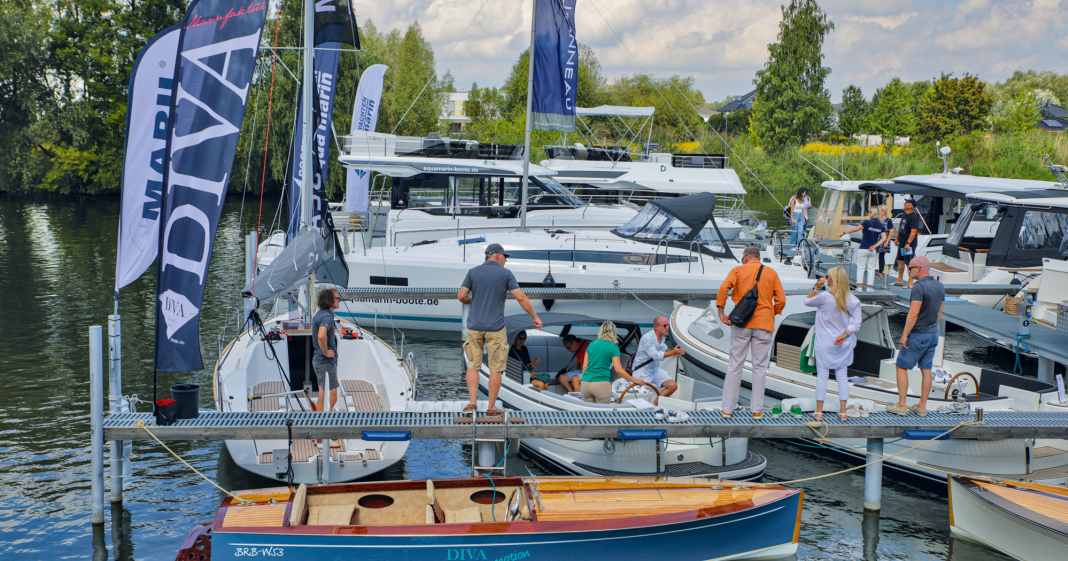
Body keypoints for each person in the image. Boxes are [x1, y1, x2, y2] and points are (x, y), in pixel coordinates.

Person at [458, 243, 542, 415]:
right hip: (496, 328)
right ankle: (490, 407)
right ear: (497, 255)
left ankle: (472, 403)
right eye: (505, 257)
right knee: (496, 368)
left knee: (473, 366)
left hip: (474, 326)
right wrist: (534, 317)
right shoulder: (505, 274)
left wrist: (471, 302)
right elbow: (520, 297)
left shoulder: (473, 272)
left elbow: (461, 295)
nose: (506, 260)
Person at [716, 246, 786, 418]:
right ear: (758, 257)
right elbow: (781, 300)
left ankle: (727, 409)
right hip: (764, 324)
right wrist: (772, 312)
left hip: (741, 322)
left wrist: (721, 312)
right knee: (760, 368)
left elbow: (724, 288)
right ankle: (757, 410)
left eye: (742, 256)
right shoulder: (771, 273)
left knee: (735, 365)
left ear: (747, 257)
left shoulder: (738, 270)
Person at [888, 256, 945, 417]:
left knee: (901, 366)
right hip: (933, 333)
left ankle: (902, 404)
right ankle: (921, 407)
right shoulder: (939, 286)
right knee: (926, 369)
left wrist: (904, 335)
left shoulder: (919, 288)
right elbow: (940, 312)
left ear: (919, 268)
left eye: (910, 267)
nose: (908, 270)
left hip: (918, 334)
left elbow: (913, 314)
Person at [804, 267, 862, 421]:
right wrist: (843, 335)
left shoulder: (824, 297)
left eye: (827, 277)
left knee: (822, 376)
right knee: (842, 376)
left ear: (830, 280)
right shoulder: (853, 300)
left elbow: (807, 301)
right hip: (843, 343)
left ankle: (819, 412)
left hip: (824, 343)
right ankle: (843, 412)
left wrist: (816, 286)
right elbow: (856, 324)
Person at [581, 321, 640, 403]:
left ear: (600, 331)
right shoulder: (613, 347)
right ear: (614, 332)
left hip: (585, 384)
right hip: (601, 384)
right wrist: (634, 380)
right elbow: (618, 370)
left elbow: (584, 368)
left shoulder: (591, 344)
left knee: (589, 414)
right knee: (603, 414)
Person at [632, 316, 684, 397]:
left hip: (655, 370)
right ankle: (653, 403)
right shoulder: (647, 338)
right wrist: (673, 352)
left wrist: (675, 351)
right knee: (653, 391)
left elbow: (665, 349)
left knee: (673, 386)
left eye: (668, 325)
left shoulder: (662, 337)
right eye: (664, 326)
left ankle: (655, 403)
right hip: (642, 372)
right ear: (656, 327)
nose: (667, 328)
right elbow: (655, 356)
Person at [843, 208, 889, 287]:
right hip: (873, 250)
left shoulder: (867, 222)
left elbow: (856, 229)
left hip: (863, 248)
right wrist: (875, 246)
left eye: (869, 212)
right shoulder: (880, 225)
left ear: (871, 213)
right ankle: (870, 286)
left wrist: (845, 232)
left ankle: (860, 285)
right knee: (871, 269)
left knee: (861, 267)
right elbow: (884, 238)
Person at [311, 287, 341, 413]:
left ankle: (319, 416)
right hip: (325, 361)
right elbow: (321, 335)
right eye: (337, 298)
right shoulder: (327, 317)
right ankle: (327, 417)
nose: (340, 300)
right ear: (329, 300)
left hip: (318, 360)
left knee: (322, 390)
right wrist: (326, 352)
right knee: (331, 390)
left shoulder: (320, 314)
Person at [895, 199, 922, 287]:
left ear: (911, 205)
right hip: (902, 242)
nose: (905, 204)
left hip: (908, 244)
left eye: (907, 203)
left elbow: (914, 231)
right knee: (900, 261)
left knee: (909, 263)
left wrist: (908, 243)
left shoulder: (913, 217)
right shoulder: (904, 215)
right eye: (905, 203)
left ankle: (910, 283)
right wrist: (897, 238)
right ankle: (899, 280)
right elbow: (901, 228)